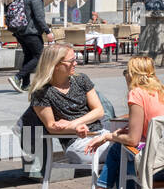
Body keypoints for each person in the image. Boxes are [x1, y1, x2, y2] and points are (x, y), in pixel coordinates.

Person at [65, 56, 164, 189]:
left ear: (132, 74)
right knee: (121, 153)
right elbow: (147, 127)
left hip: (154, 169)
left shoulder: (137, 93)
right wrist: (115, 136)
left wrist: (109, 136)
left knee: (120, 154)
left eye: (126, 72)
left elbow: (133, 140)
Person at [27, 43, 106, 173]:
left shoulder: (81, 80)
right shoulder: (42, 92)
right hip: (77, 144)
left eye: (75, 59)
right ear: (56, 65)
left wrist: (72, 124)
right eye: (71, 60)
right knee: (124, 151)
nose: (76, 63)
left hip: (100, 135)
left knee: (130, 147)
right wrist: (74, 129)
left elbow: (99, 111)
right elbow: (52, 127)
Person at [7, 0, 54, 92]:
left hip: (20, 31)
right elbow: (39, 17)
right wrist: (47, 31)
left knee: (28, 56)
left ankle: (25, 84)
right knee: (40, 56)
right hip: (31, 32)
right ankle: (18, 77)